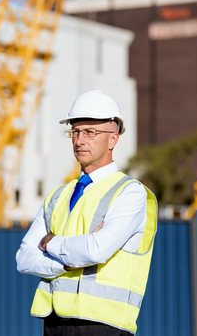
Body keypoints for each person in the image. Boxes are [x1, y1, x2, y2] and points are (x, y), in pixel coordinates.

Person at [16, 90, 157, 336]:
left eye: (91, 132)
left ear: (113, 139)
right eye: (76, 131)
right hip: (54, 324)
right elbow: (24, 260)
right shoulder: (57, 196)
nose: (80, 140)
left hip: (104, 326)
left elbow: (96, 250)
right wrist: (71, 262)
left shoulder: (130, 193)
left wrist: (49, 243)